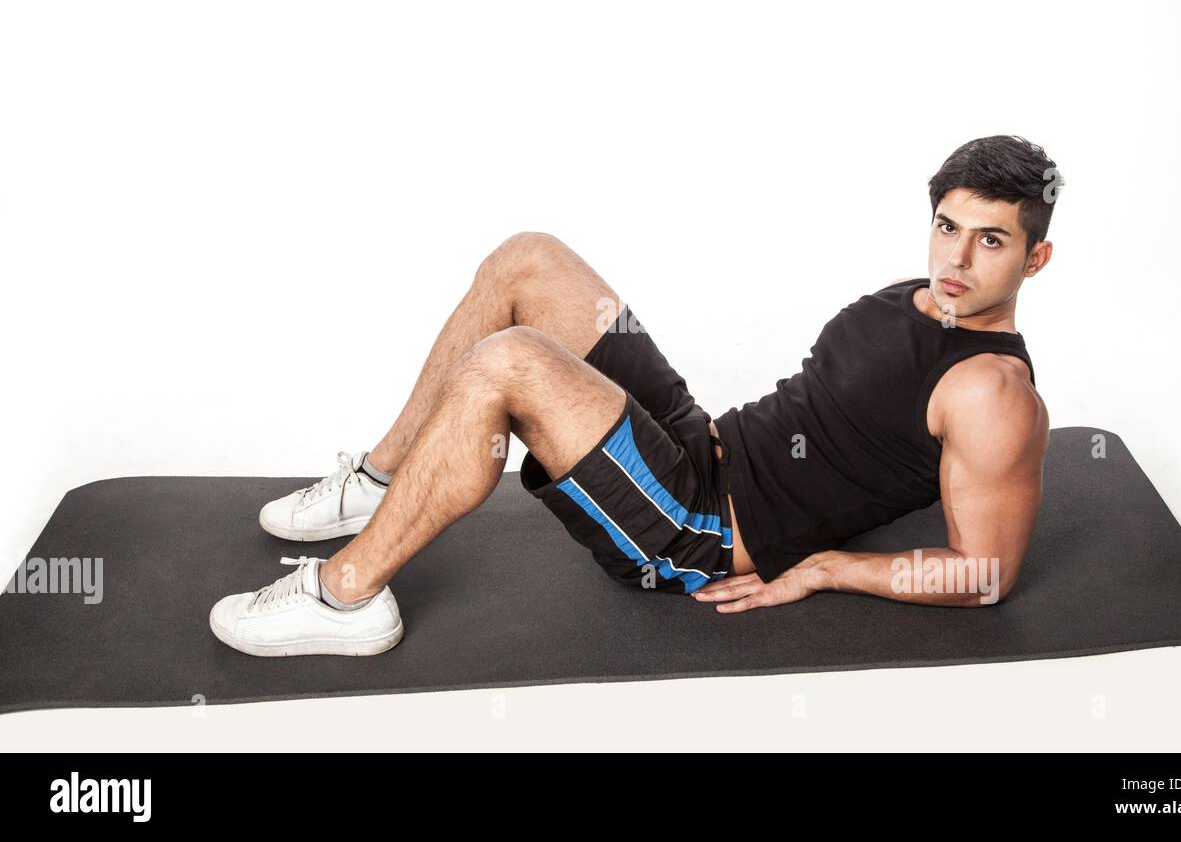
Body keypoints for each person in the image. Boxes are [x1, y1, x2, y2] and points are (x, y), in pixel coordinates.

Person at [208, 134, 1059, 657]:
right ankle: (382, 483)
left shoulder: (995, 392)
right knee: (528, 259)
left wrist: (828, 569)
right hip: (699, 444)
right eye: (947, 226)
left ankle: (345, 597)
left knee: (509, 362)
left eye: (991, 241)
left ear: (1034, 258)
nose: (956, 258)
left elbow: (984, 574)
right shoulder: (927, 293)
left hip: (697, 527)